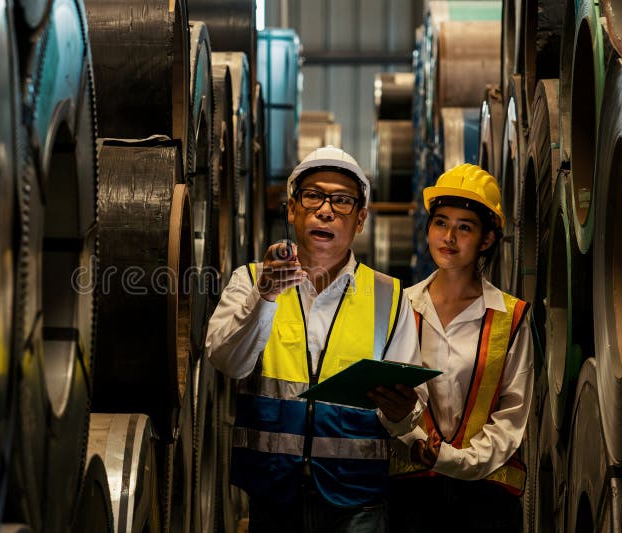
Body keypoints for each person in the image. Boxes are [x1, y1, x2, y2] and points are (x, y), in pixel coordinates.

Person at [205, 145, 427, 532]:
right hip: (272, 492)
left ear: (360, 220)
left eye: (342, 201)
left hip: (357, 499)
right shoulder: (250, 280)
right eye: (313, 196)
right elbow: (227, 361)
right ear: (292, 210)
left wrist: (401, 412)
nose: (326, 209)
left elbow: (410, 406)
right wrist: (265, 297)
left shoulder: (390, 297)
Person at [389, 164, 533, 533]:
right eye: (440, 222)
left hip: (487, 500)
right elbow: (391, 397)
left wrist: (456, 461)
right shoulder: (400, 307)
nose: (449, 236)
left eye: (464, 227)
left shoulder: (510, 316)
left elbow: (512, 413)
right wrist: (416, 441)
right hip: (412, 498)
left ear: (486, 240)